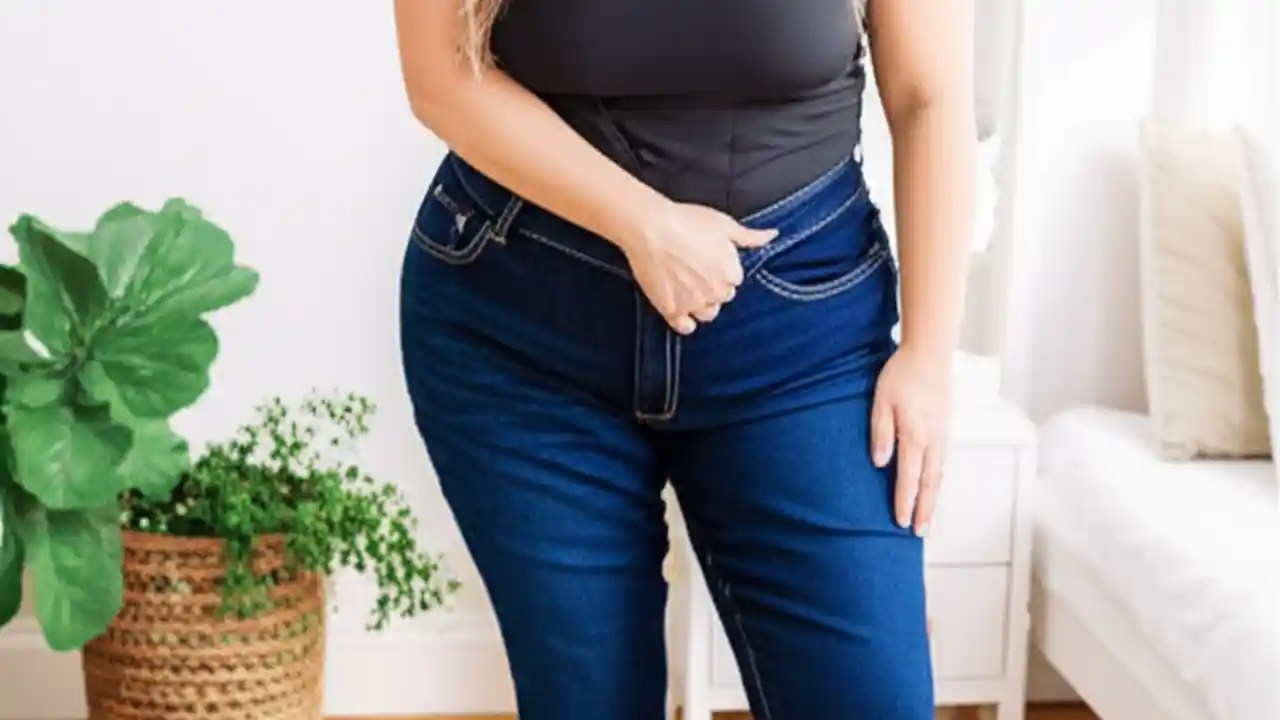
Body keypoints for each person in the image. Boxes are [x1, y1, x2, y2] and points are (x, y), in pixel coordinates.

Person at [395, 1, 974, 717]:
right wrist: (642, 223)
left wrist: (928, 356)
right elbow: (441, 76)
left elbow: (929, 95)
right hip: (524, 341)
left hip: (804, 341)